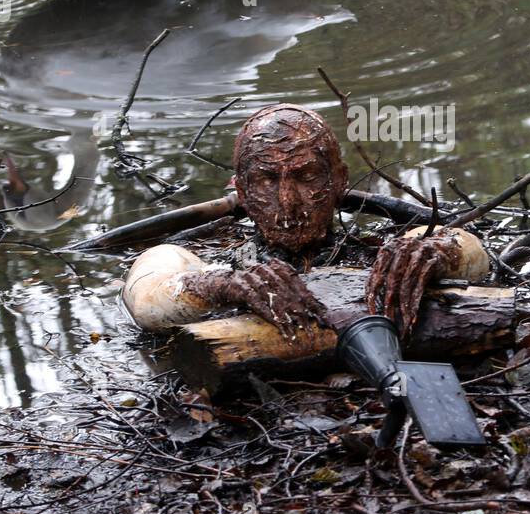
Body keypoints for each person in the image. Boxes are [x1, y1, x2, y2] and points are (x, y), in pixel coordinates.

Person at [122, 104, 489, 339]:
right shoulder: (214, 264)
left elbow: (470, 248)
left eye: (307, 176)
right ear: (242, 190)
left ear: (339, 180)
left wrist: (435, 252)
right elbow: (147, 298)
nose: (288, 201)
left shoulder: (380, 254)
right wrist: (225, 286)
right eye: (267, 180)